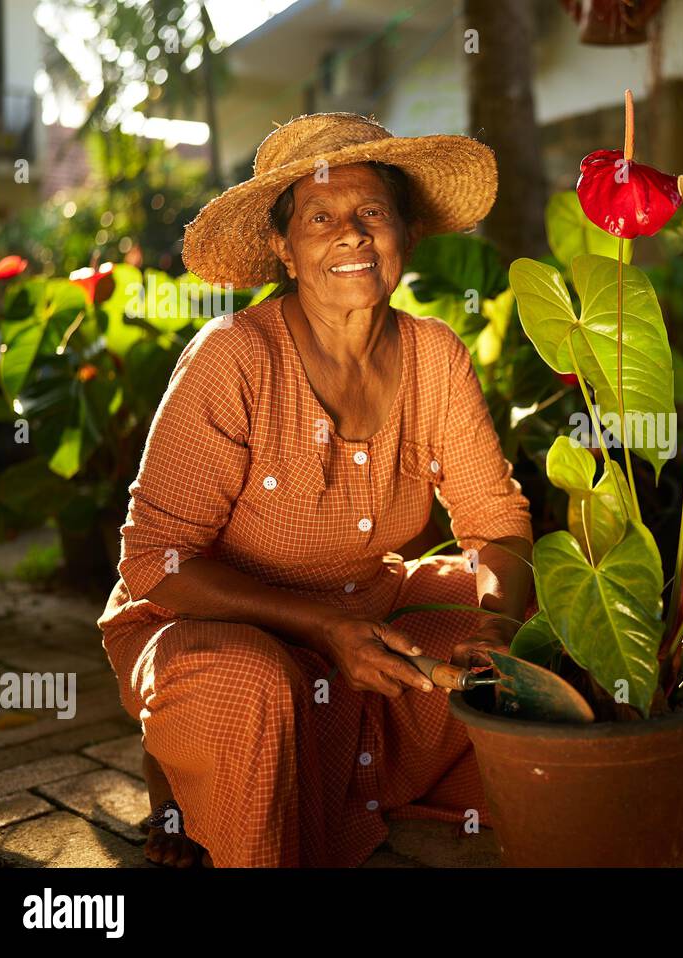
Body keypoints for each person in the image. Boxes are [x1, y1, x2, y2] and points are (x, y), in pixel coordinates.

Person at [96, 113, 533, 867]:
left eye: (372, 214)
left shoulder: (435, 355)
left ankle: (301, 779)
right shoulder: (233, 358)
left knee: (531, 615)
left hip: (363, 611)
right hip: (212, 629)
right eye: (321, 217)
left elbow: (495, 522)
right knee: (254, 686)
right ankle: (190, 776)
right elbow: (156, 564)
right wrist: (320, 628)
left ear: (405, 235)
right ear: (284, 248)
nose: (352, 235)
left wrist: (497, 623)